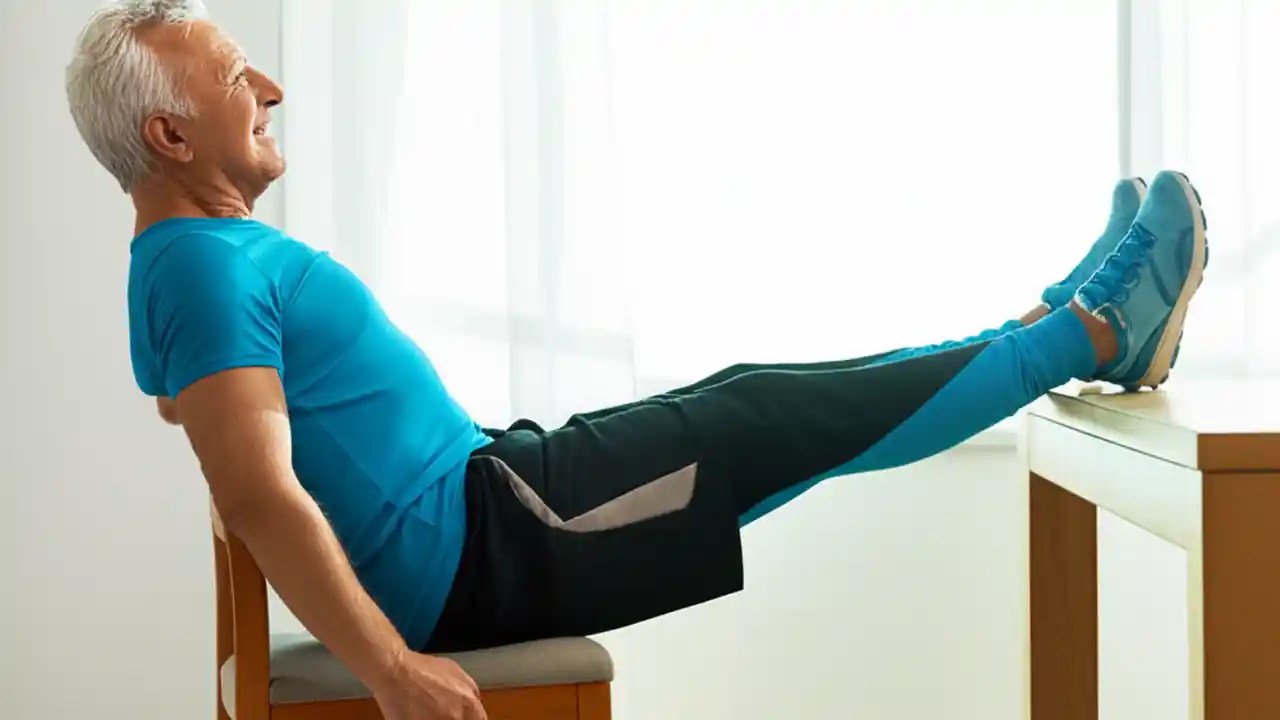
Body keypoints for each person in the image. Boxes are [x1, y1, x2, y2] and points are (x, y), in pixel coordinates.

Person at [65, 2, 1209, 719]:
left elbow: (213, 422)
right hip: (492, 550)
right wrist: (389, 672)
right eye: (232, 79)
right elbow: (256, 489)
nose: (267, 90)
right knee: (770, 418)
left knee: (747, 403)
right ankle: (1095, 332)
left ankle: (1055, 323)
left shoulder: (184, 263)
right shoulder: (200, 266)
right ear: (169, 136)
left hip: (494, 501)